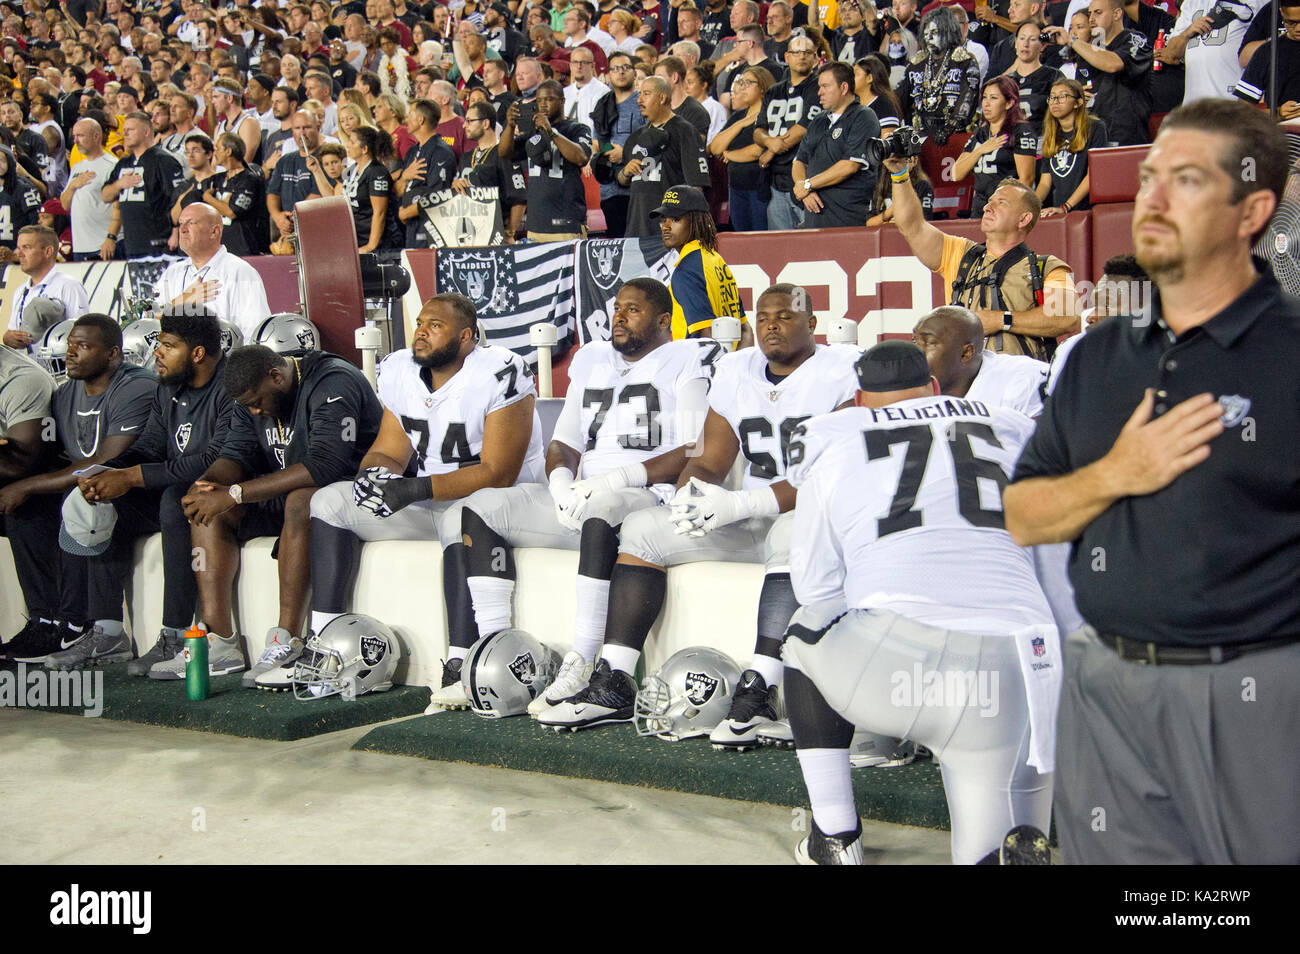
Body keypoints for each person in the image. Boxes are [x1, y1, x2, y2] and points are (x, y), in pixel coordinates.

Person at [1004, 98, 1298, 865]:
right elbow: (1026, 515)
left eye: (1187, 181)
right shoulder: (1099, 356)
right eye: (1149, 178)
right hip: (1105, 682)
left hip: (1255, 695)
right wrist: (1118, 473)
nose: (1152, 200)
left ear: (1252, 210)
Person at [781, 339, 1057, 865]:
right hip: (1028, 663)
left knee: (804, 628)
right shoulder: (1013, 425)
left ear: (860, 399)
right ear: (932, 385)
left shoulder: (836, 437)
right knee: (995, 844)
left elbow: (815, 587)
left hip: (904, 664)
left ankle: (835, 836)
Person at [546, 285, 858, 739]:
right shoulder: (737, 369)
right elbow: (710, 460)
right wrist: (693, 495)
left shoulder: (841, 371)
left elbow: (833, 475)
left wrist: (740, 503)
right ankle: (615, 680)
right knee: (643, 529)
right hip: (747, 517)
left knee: (795, 533)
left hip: (811, 517)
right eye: (764, 316)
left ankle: (761, 690)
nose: (772, 324)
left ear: (812, 325)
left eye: (786, 316)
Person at [452, 278, 718, 720]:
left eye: (632, 309)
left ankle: (582, 659)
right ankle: (495, 646)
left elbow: (695, 446)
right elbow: (565, 441)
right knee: (483, 508)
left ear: (664, 319)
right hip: (583, 496)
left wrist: (616, 479)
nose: (619, 316)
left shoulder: (687, 358)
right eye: (617, 307)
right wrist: (559, 484)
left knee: (603, 506)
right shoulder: (592, 359)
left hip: (643, 495)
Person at [304, 294, 545, 698]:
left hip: (497, 508)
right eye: (420, 323)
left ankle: (460, 660)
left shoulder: (501, 371)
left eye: (435, 326)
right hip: (429, 499)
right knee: (329, 501)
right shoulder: (400, 370)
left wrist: (415, 487)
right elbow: (389, 450)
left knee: (460, 515)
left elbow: (498, 473)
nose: (421, 332)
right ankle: (324, 646)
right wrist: (374, 476)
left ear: (467, 336)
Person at [180, 344, 384, 682]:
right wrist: (209, 485)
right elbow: (236, 454)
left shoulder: (334, 379)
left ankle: (286, 638)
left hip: (350, 495)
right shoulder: (251, 393)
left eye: (257, 403)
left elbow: (325, 465)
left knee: (301, 501)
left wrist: (234, 493)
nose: (257, 412)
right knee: (210, 509)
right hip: (285, 492)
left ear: (276, 376)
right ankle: (219, 641)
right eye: (249, 406)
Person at [70, 308, 245, 677]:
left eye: (168, 345)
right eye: (158, 344)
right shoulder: (168, 386)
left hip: (233, 498)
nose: (158, 354)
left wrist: (132, 476)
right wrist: (108, 473)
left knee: (176, 499)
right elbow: (149, 445)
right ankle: (107, 631)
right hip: (173, 488)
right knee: (107, 499)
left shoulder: (232, 385)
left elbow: (216, 459)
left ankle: (177, 633)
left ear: (197, 353)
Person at [0, 314, 156, 668]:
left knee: (82, 501)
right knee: (27, 512)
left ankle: (79, 626)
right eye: (70, 345)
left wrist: (25, 484)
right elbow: (54, 457)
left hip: (142, 493)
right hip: (89, 490)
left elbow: (105, 461)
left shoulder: (137, 386)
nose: (71, 353)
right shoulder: (64, 394)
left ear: (113, 354)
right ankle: (46, 621)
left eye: (83, 346)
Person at [887, 153, 1077, 360]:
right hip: (964, 384)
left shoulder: (1047, 267)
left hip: (1019, 384)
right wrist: (900, 175)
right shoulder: (959, 253)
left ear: (1024, 218)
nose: (987, 207)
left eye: (1001, 203)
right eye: (989, 202)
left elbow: (1068, 317)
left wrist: (1000, 320)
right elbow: (911, 226)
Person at [153, 204, 272, 342]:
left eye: (191, 223)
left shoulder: (240, 272)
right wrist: (182, 301)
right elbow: (151, 320)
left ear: (214, 232)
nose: (183, 229)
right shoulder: (172, 273)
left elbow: (255, 335)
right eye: (180, 223)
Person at [1043, 0, 1150, 146]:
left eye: (1098, 12)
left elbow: (1113, 64)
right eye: (1090, 13)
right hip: (1093, 137)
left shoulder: (1135, 39)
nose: (1091, 18)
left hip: (1126, 137)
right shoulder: (1088, 53)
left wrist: (1071, 40)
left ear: (1117, 14)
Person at [912, 304, 1048, 418]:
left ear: (966, 353)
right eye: (914, 341)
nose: (915, 352)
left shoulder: (1024, 381)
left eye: (928, 342)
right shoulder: (907, 387)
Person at [653, 186, 751, 342]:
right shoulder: (716, 259)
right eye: (663, 220)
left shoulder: (686, 272)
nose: (666, 226)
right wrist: (734, 363)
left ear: (696, 220)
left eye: (676, 219)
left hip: (700, 364)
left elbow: (705, 337)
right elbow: (745, 330)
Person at [618, 76, 711, 238]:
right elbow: (621, 179)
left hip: (669, 230)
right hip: (636, 227)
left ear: (662, 98)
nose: (639, 100)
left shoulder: (685, 131)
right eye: (639, 94)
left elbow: (696, 187)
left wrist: (687, 228)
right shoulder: (636, 136)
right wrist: (626, 171)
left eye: (646, 94)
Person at [499, 79, 592, 241]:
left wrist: (552, 132)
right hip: (537, 224)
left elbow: (581, 158)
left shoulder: (576, 128)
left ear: (562, 101)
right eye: (540, 100)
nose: (543, 105)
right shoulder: (534, 131)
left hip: (566, 222)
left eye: (549, 99)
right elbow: (505, 153)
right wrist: (510, 126)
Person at [792, 62, 881, 229]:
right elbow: (799, 161)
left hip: (848, 219)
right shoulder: (818, 120)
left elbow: (849, 165)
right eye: (819, 86)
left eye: (825, 86)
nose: (819, 92)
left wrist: (808, 185)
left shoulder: (864, 116)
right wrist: (803, 191)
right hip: (814, 220)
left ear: (844, 87)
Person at [754, 33, 822, 231]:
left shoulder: (818, 87)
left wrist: (772, 150)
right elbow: (758, 130)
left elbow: (803, 127)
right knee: (779, 248)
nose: (801, 56)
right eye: (796, 52)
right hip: (775, 182)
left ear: (816, 58)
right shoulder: (774, 90)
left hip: (806, 178)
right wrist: (768, 142)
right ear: (786, 57)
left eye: (807, 52)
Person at [101, 110, 186, 259]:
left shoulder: (163, 160)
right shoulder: (123, 163)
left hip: (160, 244)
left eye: (130, 130)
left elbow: (179, 199)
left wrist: (176, 231)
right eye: (124, 130)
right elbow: (105, 196)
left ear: (146, 132)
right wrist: (119, 184)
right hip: (132, 244)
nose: (125, 134)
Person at [953, 76, 1038, 217]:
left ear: (1009, 103)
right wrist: (980, 150)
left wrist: (1012, 212)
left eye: (993, 98)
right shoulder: (981, 133)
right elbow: (956, 174)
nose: (986, 104)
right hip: (980, 209)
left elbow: (1026, 179)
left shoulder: (1021, 130)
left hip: (1006, 210)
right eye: (985, 97)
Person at [896, 6, 981, 145]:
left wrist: (950, 128)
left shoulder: (964, 60)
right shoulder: (916, 64)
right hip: (920, 139)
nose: (928, 38)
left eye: (934, 32)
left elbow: (968, 99)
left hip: (955, 138)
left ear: (947, 31)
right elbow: (899, 99)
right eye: (926, 32)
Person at [708, 64, 775, 232]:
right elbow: (715, 148)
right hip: (736, 187)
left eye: (748, 83)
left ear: (762, 87)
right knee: (741, 237)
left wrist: (729, 154)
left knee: (761, 238)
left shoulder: (770, 114)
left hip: (759, 188)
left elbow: (758, 150)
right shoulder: (739, 116)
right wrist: (742, 123)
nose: (741, 87)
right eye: (740, 82)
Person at [3, 226, 89, 353]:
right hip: (26, 368)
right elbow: (13, 331)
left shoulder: (69, 286)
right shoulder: (20, 291)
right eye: (19, 248)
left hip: (56, 369)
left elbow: (83, 334)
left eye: (26, 247)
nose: (19, 254)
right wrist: (8, 338)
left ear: (48, 251)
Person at [590, 50, 645, 238]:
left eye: (625, 68)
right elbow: (598, 142)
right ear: (609, 75)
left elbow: (654, 137)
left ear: (634, 73)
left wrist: (626, 152)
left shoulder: (643, 102)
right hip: (610, 189)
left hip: (639, 188)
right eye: (615, 69)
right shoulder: (602, 104)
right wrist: (609, 151)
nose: (620, 72)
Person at [1035, 77, 1106, 217]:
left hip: (1086, 210)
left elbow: (1093, 174)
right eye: (1052, 97)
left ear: (1078, 102)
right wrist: (1031, 205)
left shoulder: (1095, 128)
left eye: (1062, 97)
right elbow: (1045, 182)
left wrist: (1066, 206)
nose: (1055, 101)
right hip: (1060, 211)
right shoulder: (1051, 134)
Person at [395, 99, 459, 248]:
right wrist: (404, 177)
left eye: (410, 115)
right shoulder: (412, 151)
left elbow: (438, 196)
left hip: (431, 232)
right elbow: (398, 191)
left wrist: (405, 213)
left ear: (421, 119)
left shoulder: (441, 152)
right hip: (411, 228)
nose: (406, 120)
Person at [59, 117, 116, 261]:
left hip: (103, 245)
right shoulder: (78, 167)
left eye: (80, 136)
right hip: (81, 246)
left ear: (96, 136)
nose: (76, 141)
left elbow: (119, 205)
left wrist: (111, 238)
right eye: (74, 136)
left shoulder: (112, 165)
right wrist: (73, 185)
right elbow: (65, 205)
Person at [204, 132, 269, 257]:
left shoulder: (249, 179)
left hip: (243, 248)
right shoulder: (217, 179)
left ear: (228, 151)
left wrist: (209, 198)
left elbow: (232, 211)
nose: (214, 152)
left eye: (217, 148)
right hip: (220, 248)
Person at [1233, 0, 1300, 113]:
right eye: (1291, 22)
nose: (1299, 29)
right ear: (1281, 13)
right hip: (1282, 129)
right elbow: (1242, 112)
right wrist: (1277, 113)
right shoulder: (1267, 52)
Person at [1003, 20, 1059, 131]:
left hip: (1042, 140)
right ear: (1015, 42)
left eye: (1032, 39)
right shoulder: (1006, 81)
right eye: (1022, 38)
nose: (1026, 44)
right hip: (1011, 141)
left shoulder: (1054, 76)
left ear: (1043, 45)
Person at [0, 146, 45, 264]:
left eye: (1, 160)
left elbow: (36, 222)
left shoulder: (24, 188)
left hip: (18, 255)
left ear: (10, 162)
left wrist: (20, 250)